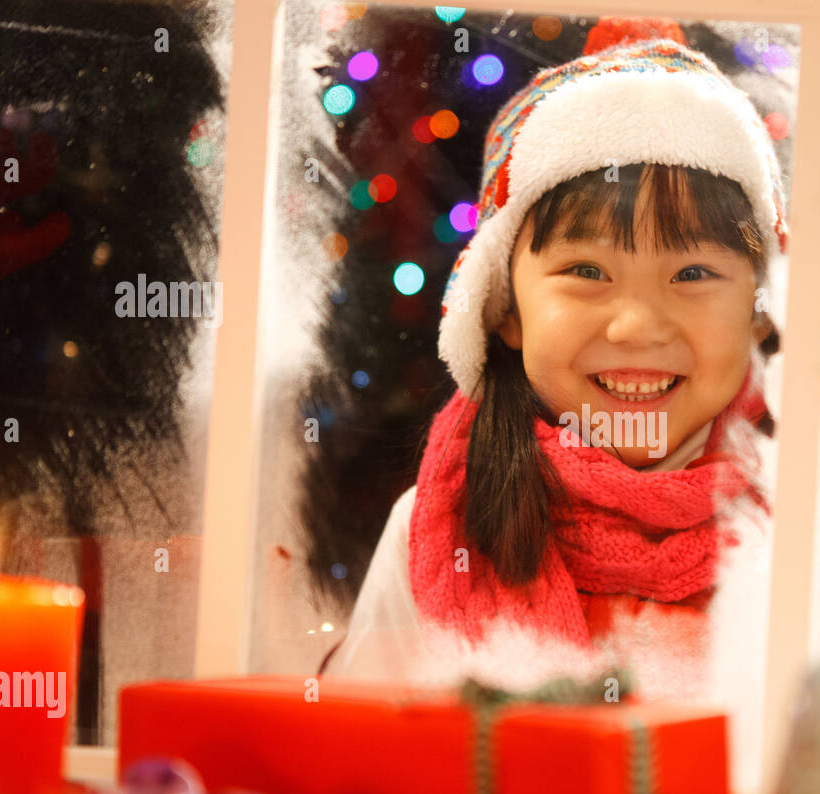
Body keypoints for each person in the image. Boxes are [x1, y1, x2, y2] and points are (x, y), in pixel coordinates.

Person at [328, 17, 789, 743]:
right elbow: (353, 763)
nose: (637, 326)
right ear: (506, 311)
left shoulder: (806, 537)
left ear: (760, 315)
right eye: (586, 273)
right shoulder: (436, 526)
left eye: (694, 273)